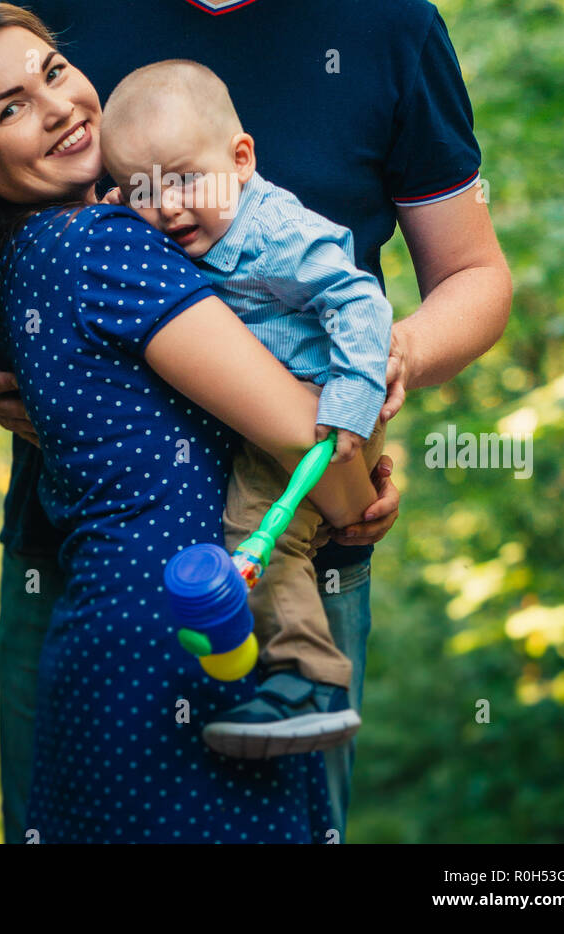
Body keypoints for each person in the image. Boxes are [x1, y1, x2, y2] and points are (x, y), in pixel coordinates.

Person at [0, 0, 513, 843]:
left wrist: (373, 371)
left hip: (300, 543)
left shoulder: (388, 28)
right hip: (77, 557)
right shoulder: (51, 13)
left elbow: (473, 277)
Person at [0, 2, 338, 843]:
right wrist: (355, 481)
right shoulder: (105, 243)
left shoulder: (25, 259)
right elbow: (306, 436)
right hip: (190, 633)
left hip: (118, 637)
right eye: (9, 108)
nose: (55, 106)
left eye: (52, 72)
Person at [99, 58, 393, 757]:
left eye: (184, 179)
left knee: (256, 534)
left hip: (323, 419)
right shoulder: (182, 225)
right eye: (143, 190)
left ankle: (311, 681)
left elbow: (359, 302)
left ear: (240, 157)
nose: (167, 206)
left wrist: (351, 405)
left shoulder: (276, 234)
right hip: (286, 425)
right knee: (271, 540)